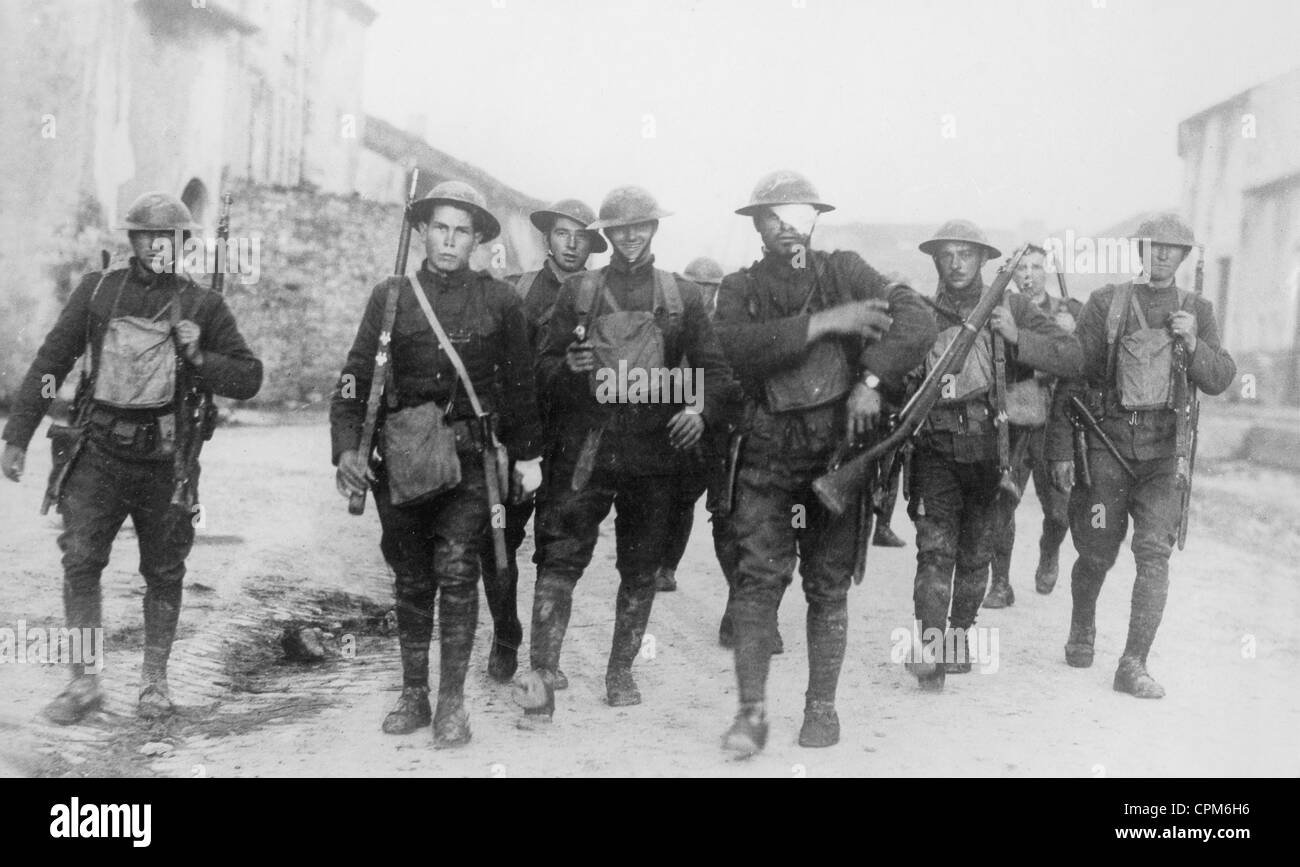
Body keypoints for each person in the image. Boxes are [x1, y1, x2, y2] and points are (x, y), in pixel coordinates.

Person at [1, 191, 263, 723]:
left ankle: (154, 684)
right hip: (96, 451)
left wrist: (199, 355)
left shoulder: (203, 306)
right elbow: (52, 361)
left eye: (169, 238)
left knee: (164, 571)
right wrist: (17, 434)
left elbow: (248, 377)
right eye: (147, 237)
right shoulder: (98, 291)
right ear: (133, 241)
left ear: (185, 243)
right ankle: (83, 684)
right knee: (80, 562)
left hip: (166, 461)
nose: (157, 247)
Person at [713, 170, 936, 755]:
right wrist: (826, 323)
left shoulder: (846, 271)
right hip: (764, 455)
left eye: (799, 214)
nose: (787, 226)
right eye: (774, 216)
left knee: (828, 587)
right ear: (758, 225)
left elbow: (917, 318)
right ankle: (751, 714)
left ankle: (821, 709)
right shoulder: (739, 289)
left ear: (815, 219)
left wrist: (871, 378)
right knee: (757, 583)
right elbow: (735, 348)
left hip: (838, 455)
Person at [513, 186, 737, 727]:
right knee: (558, 563)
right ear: (606, 234)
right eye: (621, 228)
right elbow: (537, 373)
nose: (631, 236)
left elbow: (718, 372)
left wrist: (700, 410)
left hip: (655, 458)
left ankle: (620, 671)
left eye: (641, 226)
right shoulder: (581, 294)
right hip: (583, 452)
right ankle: (541, 680)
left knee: (639, 571)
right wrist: (567, 364)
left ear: (654, 229)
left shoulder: (680, 295)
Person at [332, 181, 543, 747]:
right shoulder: (391, 296)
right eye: (441, 228)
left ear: (477, 239)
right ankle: (414, 694)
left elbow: (522, 388)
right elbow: (354, 378)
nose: (450, 240)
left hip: (472, 461)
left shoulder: (501, 302)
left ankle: (452, 704)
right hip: (403, 459)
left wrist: (528, 457)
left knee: (457, 571)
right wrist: (349, 448)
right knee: (411, 579)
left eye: (462, 230)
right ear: (423, 232)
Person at [1046, 214, 1234, 698]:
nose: (1164, 255)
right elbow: (1073, 374)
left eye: (1174, 248)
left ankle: (1133, 663)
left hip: (1164, 455)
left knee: (1154, 556)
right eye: (1156, 246)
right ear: (1141, 250)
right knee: (1095, 551)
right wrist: (1063, 448)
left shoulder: (1198, 310)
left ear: (1185, 256)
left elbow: (1218, 378)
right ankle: (1082, 624)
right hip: (1107, 447)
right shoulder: (1106, 303)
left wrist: (1193, 341)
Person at [906, 220, 1081, 692]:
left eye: (967, 254)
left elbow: (1071, 356)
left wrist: (1019, 337)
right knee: (934, 550)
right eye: (948, 254)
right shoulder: (919, 313)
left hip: (992, 450)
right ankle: (931, 649)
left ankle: (959, 636)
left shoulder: (1014, 305)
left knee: (976, 553)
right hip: (936, 448)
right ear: (936, 260)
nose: (957, 263)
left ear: (984, 259)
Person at [480, 198, 605, 686]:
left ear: (593, 245)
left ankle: (544, 660)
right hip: (518, 437)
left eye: (581, 237)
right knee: (499, 540)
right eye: (561, 234)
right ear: (547, 238)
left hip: (572, 438)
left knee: (560, 548)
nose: (571, 244)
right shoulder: (519, 291)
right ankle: (505, 631)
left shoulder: (599, 296)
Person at [983, 243, 1082, 606]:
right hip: (1016, 417)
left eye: (1036, 267)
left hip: (1055, 422)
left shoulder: (1070, 312)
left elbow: (1080, 362)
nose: (1027, 274)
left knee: (1059, 510)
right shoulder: (1001, 308)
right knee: (1002, 502)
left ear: (1047, 272)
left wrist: (1074, 330)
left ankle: (1049, 550)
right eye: (1021, 267)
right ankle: (1000, 583)